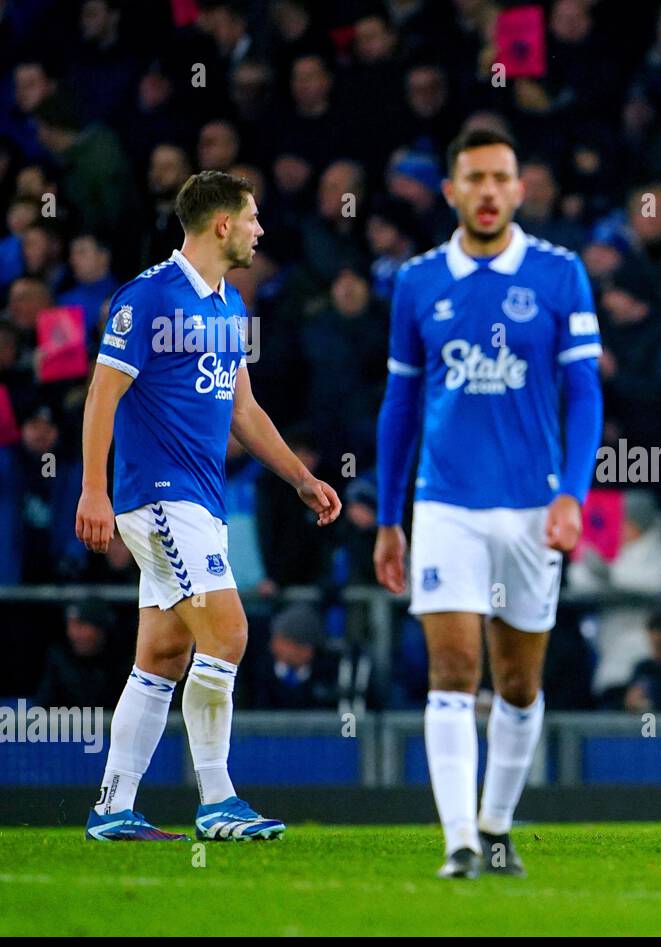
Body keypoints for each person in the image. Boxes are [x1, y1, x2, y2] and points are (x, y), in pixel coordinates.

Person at [76, 170, 341, 842]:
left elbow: (243, 411)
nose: (260, 230)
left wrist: (299, 479)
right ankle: (217, 800)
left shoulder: (227, 307)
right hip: (160, 497)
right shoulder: (149, 298)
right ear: (221, 224)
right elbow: (102, 396)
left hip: (199, 500)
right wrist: (93, 488)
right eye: (252, 218)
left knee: (162, 656)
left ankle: (113, 806)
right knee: (229, 634)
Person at [374, 128, 603, 880]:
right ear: (450, 190)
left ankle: (496, 824)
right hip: (446, 506)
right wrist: (387, 516)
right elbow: (400, 404)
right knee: (450, 671)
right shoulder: (417, 281)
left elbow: (584, 393)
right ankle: (459, 844)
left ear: (520, 188)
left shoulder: (560, 274)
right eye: (473, 178)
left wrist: (573, 495)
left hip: (533, 509)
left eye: (500, 178)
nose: (487, 191)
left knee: (518, 683)